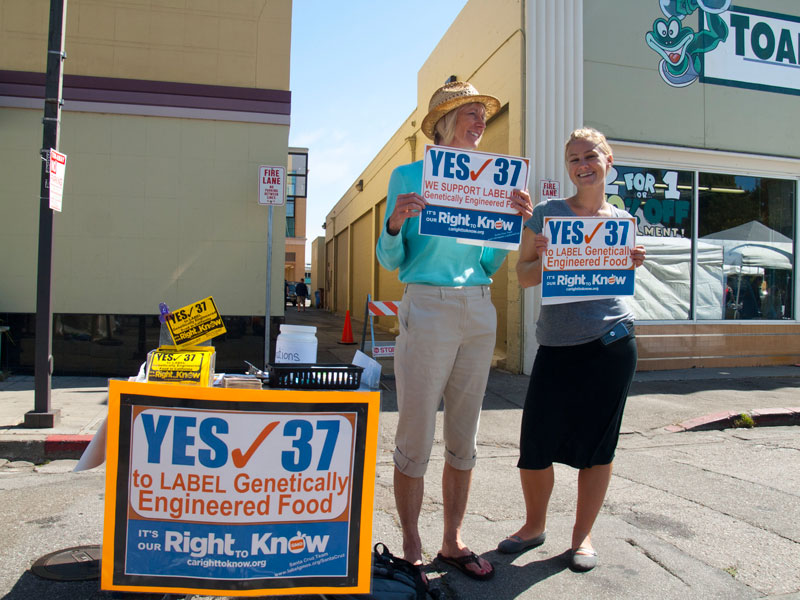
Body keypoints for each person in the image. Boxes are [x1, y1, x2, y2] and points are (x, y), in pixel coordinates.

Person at [376, 81, 533, 582]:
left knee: (465, 436)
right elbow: (390, 258)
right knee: (416, 431)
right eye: (468, 112)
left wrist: (508, 227)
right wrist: (395, 223)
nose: (478, 119)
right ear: (444, 123)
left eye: (481, 113)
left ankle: (452, 540)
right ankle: (411, 545)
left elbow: (487, 261)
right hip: (427, 304)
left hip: (479, 308)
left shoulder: (493, 182)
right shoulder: (407, 176)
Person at [496, 127, 645, 572]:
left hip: (612, 343)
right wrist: (542, 256)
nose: (582, 164)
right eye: (574, 159)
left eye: (590, 156)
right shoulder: (547, 214)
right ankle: (533, 527)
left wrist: (634, 259)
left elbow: (624, 280)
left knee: (598, 449)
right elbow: (523, 277)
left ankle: (582, 539)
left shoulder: (621, 223)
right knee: (535, 446)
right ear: (568, 168)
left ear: (608, 160)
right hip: (557, 346)